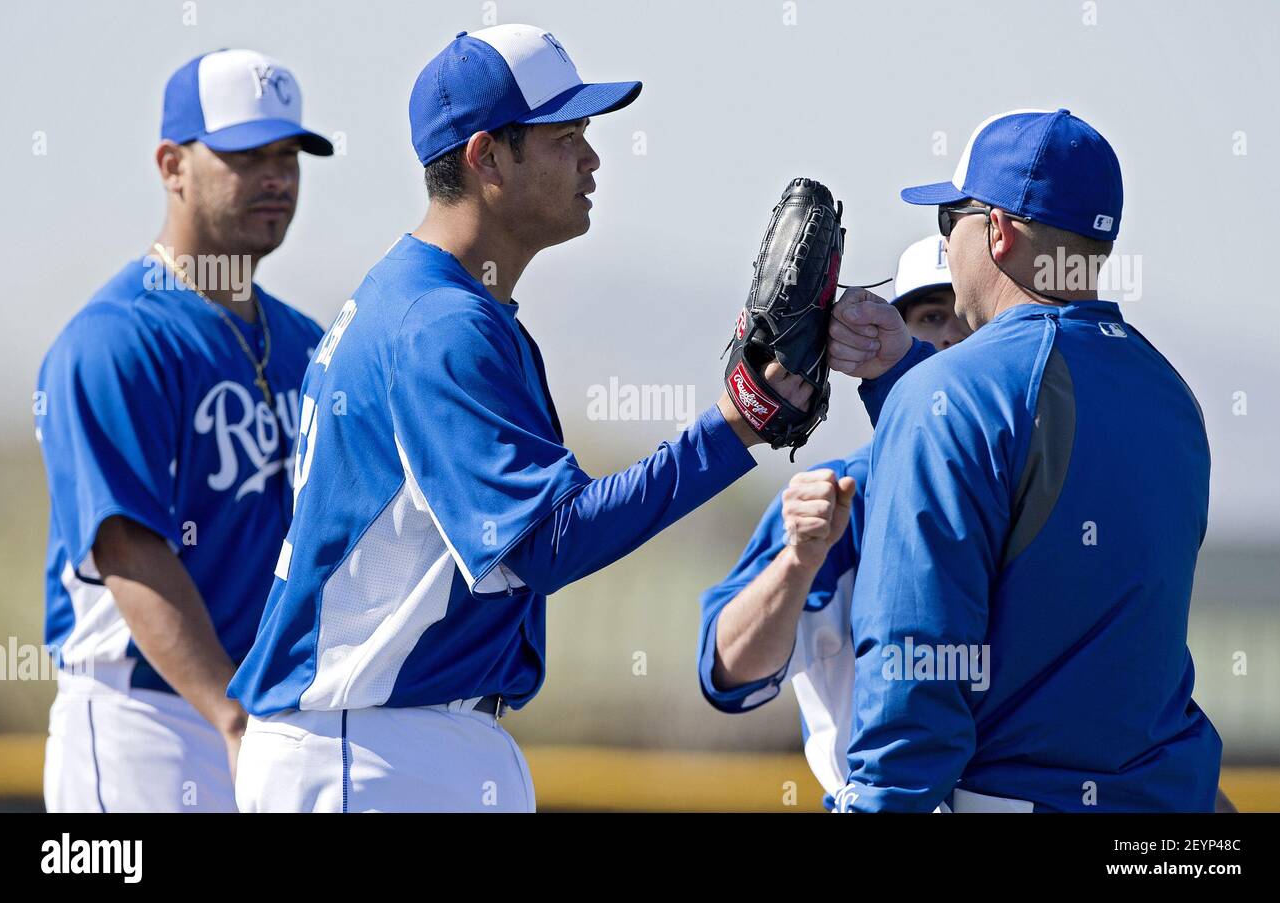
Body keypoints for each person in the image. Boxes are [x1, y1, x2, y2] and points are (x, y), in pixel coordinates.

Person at [227, 23, 807, 813]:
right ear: (486, 156)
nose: (593, 158)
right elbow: (549, 542)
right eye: (566, 136)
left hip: (396, 737)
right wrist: (732, 426)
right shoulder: (440, 323)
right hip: (369, 745)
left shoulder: (435, 305)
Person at [824, 109, 1223, 812]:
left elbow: (914, 676)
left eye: (952, 219)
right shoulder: (1173, 396)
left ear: (999, 232)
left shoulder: (942, 395)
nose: (944, 241)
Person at [34, 49, 333, 812]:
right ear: (172, 165)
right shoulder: (115, 339)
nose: (277, 176)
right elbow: (130, 549)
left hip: (265, 720)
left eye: (288, 153)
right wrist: (229, 716)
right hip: (144, 717)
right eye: (247, 154)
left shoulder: (307, 343)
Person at [697, 236, 969, 808]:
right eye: (931, 315)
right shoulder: (843, 494)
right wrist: (799, 559)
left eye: (970, 317)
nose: (951, 335)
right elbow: (729, 674)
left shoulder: (1040, 491)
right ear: (888, 336)